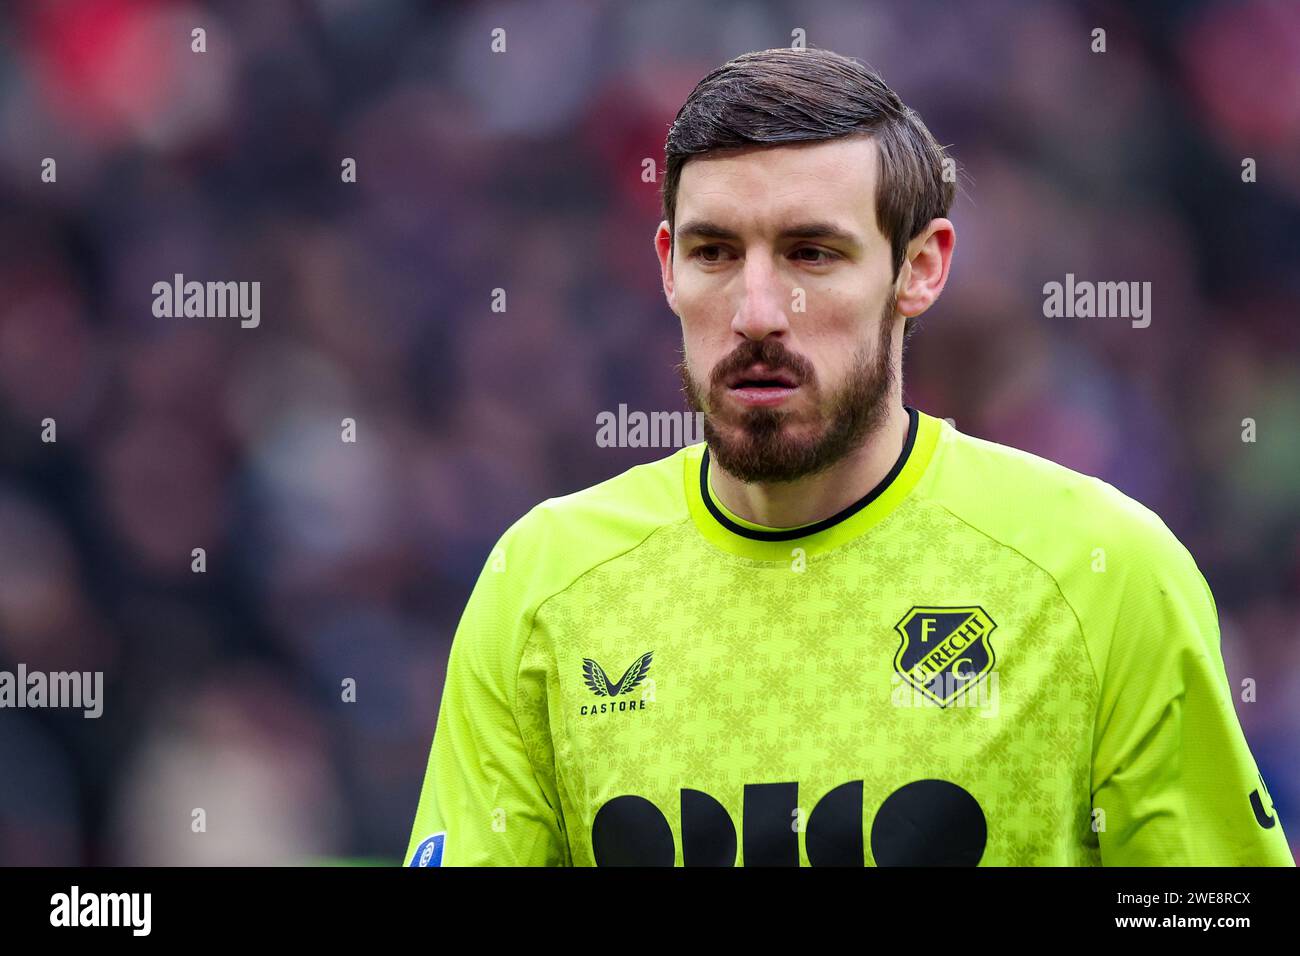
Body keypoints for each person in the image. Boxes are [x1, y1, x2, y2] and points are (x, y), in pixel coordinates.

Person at [405, 47, 1292, 866]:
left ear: (920, 268)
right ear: (668, 267)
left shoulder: (1106, 571)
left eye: (812, 252)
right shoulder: (541, 584)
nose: (757, 309)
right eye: (715, 252)